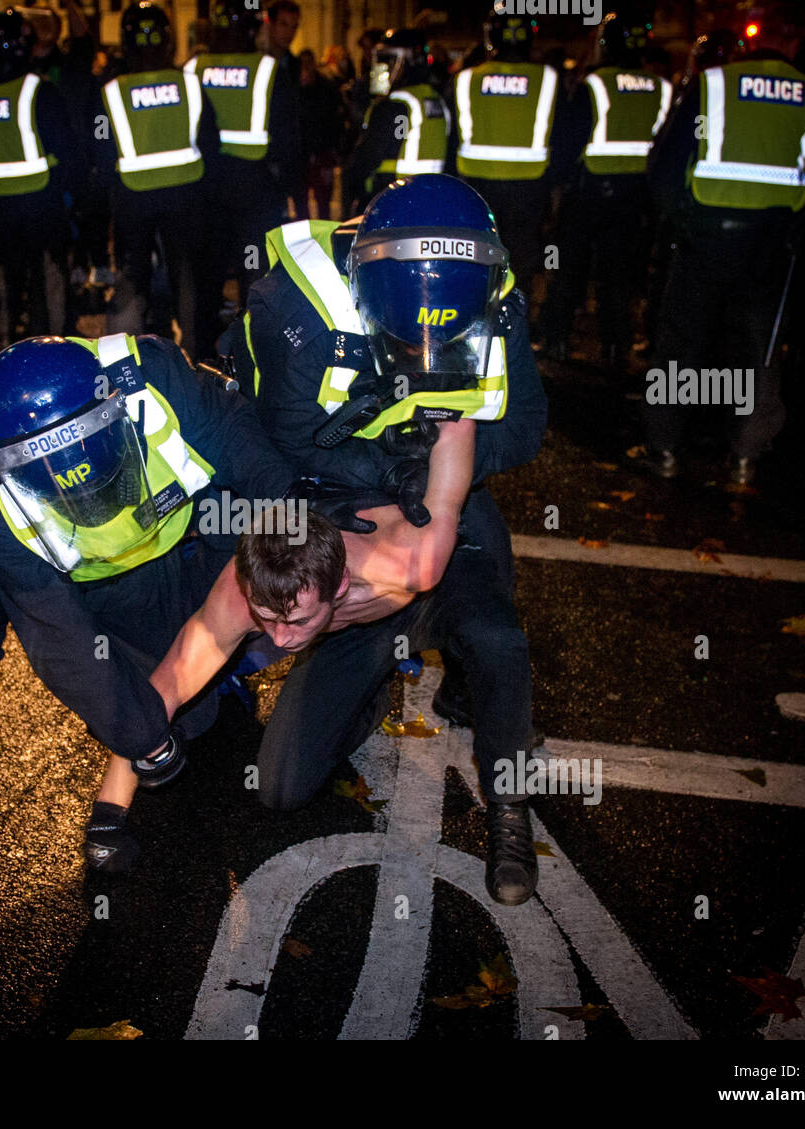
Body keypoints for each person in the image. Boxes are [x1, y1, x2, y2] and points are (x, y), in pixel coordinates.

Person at [217, 175, 548, 905]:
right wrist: (391, 471)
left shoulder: (491, 293)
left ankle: (510, 805)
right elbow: (282, 443)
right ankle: (376, 665)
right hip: (338, 507)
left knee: (497, 637)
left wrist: (428, 478)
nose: (424, 350)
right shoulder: (290, 305)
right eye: (406, 335)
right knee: (279, 788)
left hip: (439, 493)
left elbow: (522, 426)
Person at [0, 331, 298, 835]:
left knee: (192, 719)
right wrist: (141, 736)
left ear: (117, 407)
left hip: (169, 550)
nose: (81, 490)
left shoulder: (159, 383)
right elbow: (57, 633)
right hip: (63, 575)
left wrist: (307, 540)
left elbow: (260, 468)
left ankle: (214, 659)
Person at [639, 6, 805, 484]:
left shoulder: (714, 85)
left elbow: (667, 166)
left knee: (681, 345)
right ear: (794, 45)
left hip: (706, 237)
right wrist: (796, 230)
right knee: (758, 347)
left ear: (750, 41)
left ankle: (665, 449)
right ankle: (745, 456)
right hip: (772, 246)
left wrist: (682, 222)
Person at [541, 12, 672, 368]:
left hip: (589, 190)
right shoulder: (660, 86)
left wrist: (558, 187)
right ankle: (616, 347)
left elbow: (568, 139)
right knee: (618, 277)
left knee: (569, 271)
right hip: (634, 195)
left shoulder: (595, 84)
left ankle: (558, 341)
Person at [95, 0, 218, 357]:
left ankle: (124, 361)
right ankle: (196, 359)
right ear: (167, 41)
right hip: (186, 196)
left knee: (133, 277)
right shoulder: (190, 85)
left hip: (133, 199)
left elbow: (101, 148)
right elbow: (211, 142)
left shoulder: (110, 91)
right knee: (187, 279)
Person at [185, 0, 298, 349]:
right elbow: (289, 135)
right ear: (255, 28)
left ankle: (203, 358)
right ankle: (254, 355)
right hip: (255, 188)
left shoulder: (192, 68)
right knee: (255, 278)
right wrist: (284, 187)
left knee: (207, 278)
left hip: (204, 187)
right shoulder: (268, 69)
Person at [0, 9, 77, 345]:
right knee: (49, 280)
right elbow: (66, 147)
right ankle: (53, 347)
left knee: (3, 282)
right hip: (42, 201)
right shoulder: (37, 89)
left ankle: (4, 346)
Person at [451, 6, 562, 307]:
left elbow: (453, 136)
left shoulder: (466, 79)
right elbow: (561, 135)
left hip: (476, 187)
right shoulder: (548, 78)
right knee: (520, 262)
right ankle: (515, 323)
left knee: (478, 258)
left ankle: (476, 321)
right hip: (529, 188)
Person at [341, 27, 452, 215]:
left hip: (389, 200)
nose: (383, 68)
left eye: (389, 60)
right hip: (429, 201)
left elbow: (366, 159)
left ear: (407, 61)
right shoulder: (435, 100)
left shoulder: (396, 105)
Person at [292, 48, 347, 221]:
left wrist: (335, 149)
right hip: (300, 153)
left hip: (322, 151)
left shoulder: (326, 87)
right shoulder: (292, 87)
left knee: (323, 200)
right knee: (300, 201)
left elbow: (335, 120)